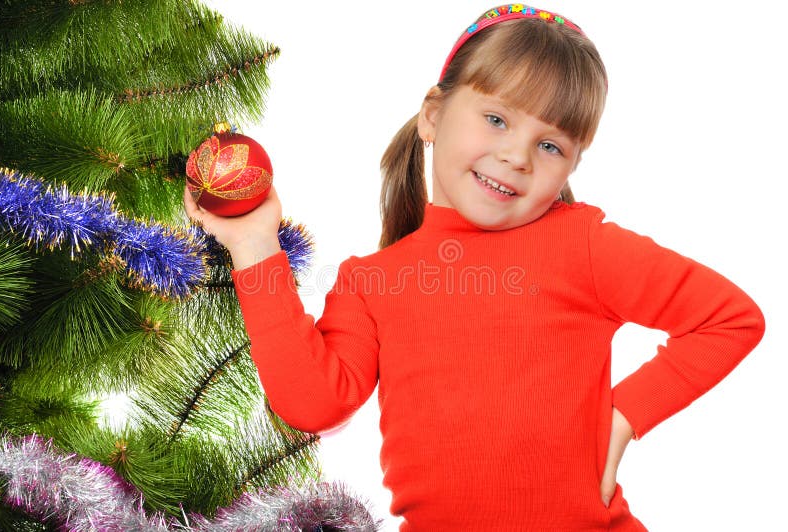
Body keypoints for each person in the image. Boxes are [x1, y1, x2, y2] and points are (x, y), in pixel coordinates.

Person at [183, 5, 766, 530]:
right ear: (433, 116)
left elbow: (730, 319)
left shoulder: (585, 246)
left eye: (551, 146)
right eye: (496, 119)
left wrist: (624, 418)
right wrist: (254, 245)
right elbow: (313, 404)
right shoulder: (373, 281)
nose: (516, 156)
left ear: (572, 165)